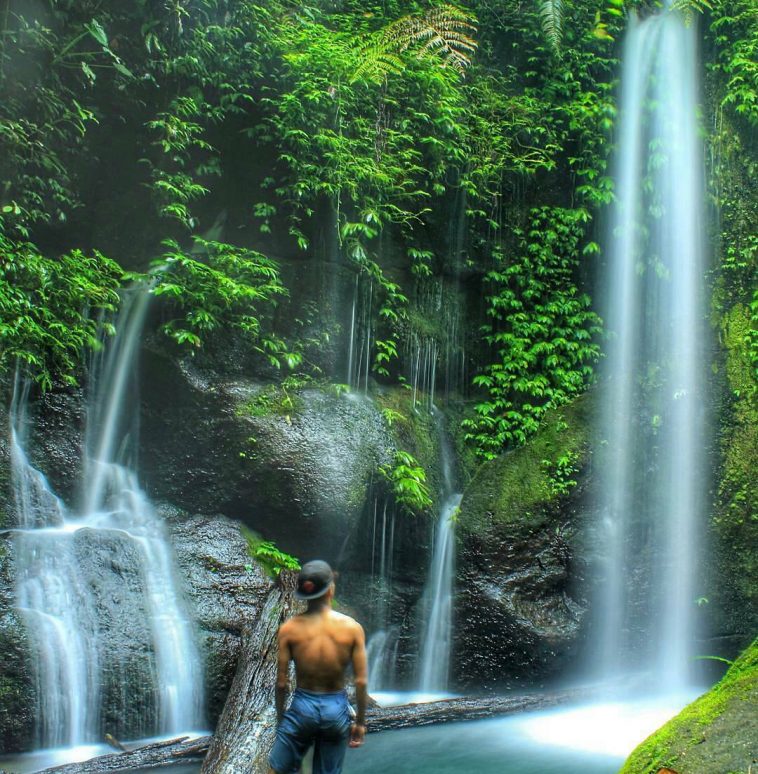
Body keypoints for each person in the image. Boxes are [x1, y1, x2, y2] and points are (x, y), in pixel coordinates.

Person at [268, 560, 368, 774]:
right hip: (335, 709)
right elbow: (361, 681)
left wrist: (282, 721)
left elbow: (282, 683)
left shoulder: (288, 629)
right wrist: (359, 722)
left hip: (302, 707)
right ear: (330, 590)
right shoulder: (352, 628)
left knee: (278, 769)